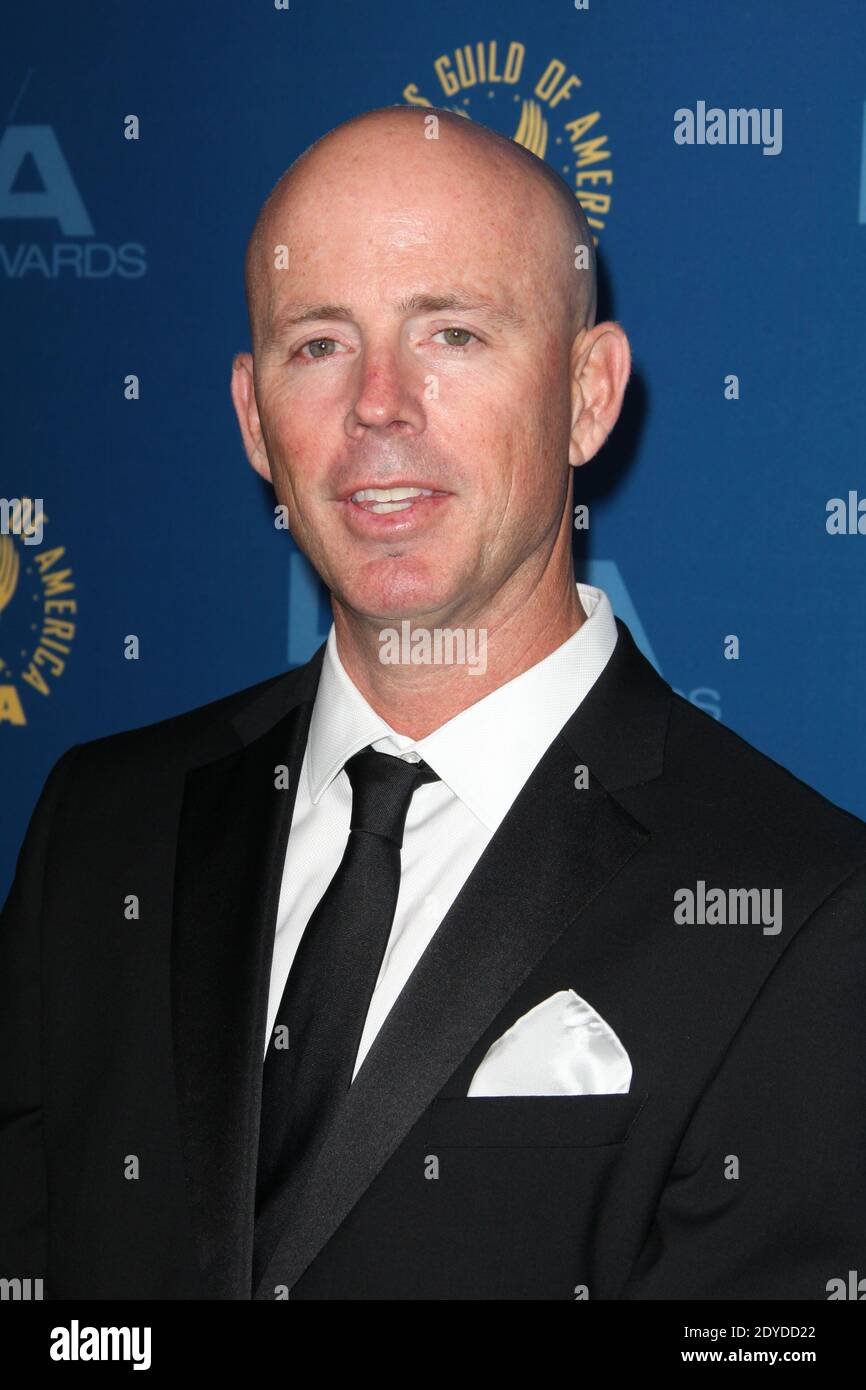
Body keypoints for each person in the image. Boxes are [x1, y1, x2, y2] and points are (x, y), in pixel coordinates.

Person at [2, 104, 865, 1301]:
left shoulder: (804, 908)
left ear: (587, 394)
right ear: (255, 422)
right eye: (319, 345)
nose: (378, 406)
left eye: (451, 333)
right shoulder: (101, 826)